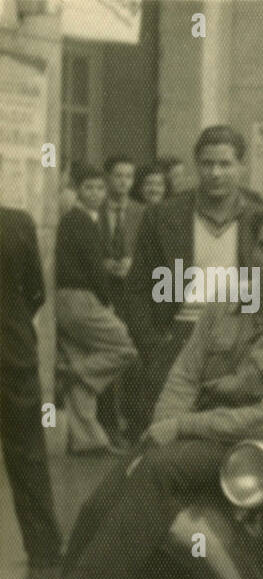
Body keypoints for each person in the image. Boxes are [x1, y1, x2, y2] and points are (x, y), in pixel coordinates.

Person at [21, 202, 263, 579]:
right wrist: (165, 425)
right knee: (99, 505)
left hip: (262, 451)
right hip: (199, 435)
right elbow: (186, 372)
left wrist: (184, 427)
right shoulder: (229, 299)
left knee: (160, 470)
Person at [122, 125, 263, 442]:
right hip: (178, 336)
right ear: (196, 165)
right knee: (164, 436)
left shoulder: (259, 219)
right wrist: (153, 346)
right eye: (207, 164)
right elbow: (137, 289)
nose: (215, 173)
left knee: (231, 438)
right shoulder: (165, 217)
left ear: (242, 166)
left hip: (239, 337)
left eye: (225, 164)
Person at [53, 161, 138, 455]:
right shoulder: (81, 221)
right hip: (81, 298)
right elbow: (93, 268)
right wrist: (106, 300)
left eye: (99, 188)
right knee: (125, 346)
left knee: (86, 370)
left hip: (65, 300)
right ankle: (68, 370)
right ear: (77, 191)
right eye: (88, 187)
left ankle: (88, 441)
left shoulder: (73, 220)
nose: (95, 193)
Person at [2, 207, 64, 579]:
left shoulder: (15, 223)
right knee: (28, 459)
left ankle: (44, 561)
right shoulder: (16, 223)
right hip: (13, 353)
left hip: (11, 357)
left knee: (27, 458)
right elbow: (35, 292)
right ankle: (44, 563)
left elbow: (36, 291)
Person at [98, 154, 145, 443]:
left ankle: (131, 420)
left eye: (129, 177)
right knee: (108, 353)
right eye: (118, 176)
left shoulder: (141, 212)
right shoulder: (95, 209)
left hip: (131, 291)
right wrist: (103, 263)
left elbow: (147, 249)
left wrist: (133, 263)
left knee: (132, 355)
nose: (124, 182)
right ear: (107, 177)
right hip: (102, 289)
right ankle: (107, 422)